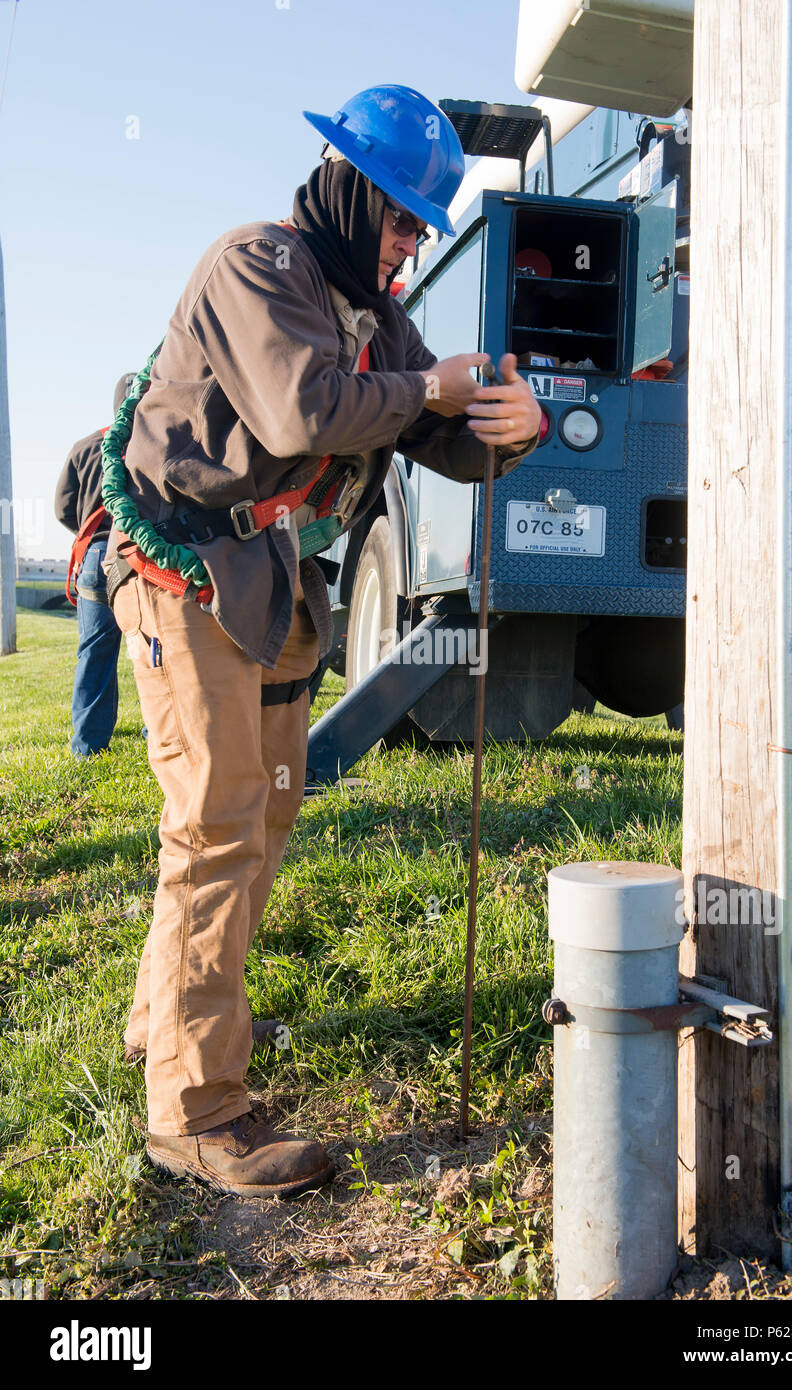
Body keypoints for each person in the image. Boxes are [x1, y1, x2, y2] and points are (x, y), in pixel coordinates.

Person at [102, 85, 541, 1200]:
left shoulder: (379, 318)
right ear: (349, 188)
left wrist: (510, 429)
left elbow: (441, 435)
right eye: (399, 219)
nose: (407, 247)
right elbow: (305, 413)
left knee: (264, 808)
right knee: (216, 819)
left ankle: (164, 1024)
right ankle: (196, 1113)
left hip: (272, 584)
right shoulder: (257, 264)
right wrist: (427, 387)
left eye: (418, 231)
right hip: (185, 567)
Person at [55, 373, 135, 757]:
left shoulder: (85, 446)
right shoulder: (152, 444)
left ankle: (88, 746)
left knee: (95, 652)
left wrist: (90, 534)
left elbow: (63, 509)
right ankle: (162, 739)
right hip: (139, 555)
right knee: (154, 651)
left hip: (93, 555)